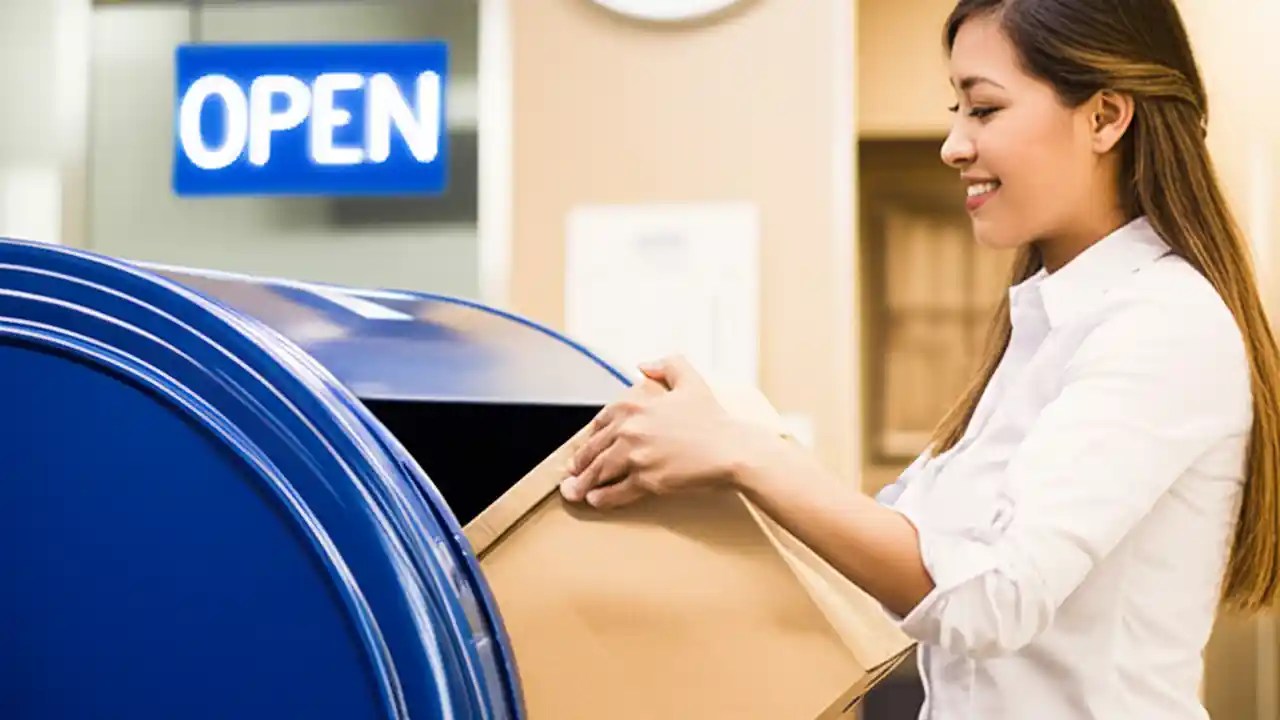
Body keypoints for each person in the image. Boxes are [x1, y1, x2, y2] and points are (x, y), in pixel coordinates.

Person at [558, 0, 1280, 718]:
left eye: (984, 109)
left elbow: (993, 598)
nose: (953, 145)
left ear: (1104, 118)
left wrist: (744, 454)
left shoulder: (1162, 324)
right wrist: (715, 447)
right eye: (956, 110)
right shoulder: (1047, 324)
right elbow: (896, 559)